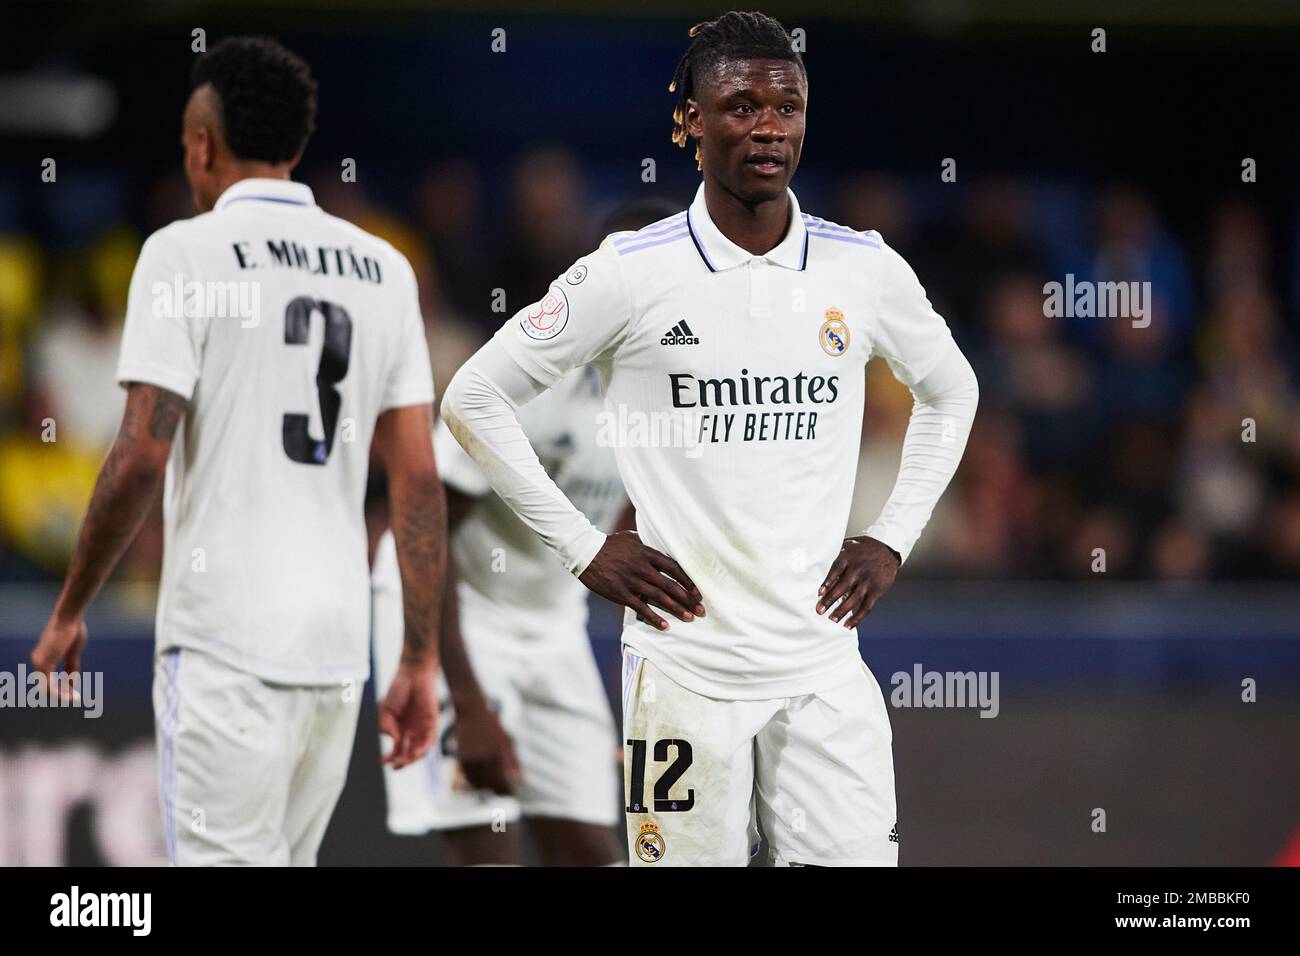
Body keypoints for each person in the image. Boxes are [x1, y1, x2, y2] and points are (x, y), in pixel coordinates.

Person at [440, 10, 979, 866]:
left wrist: (890, 537)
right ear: (689, 120)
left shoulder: (862, 268)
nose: (768, 128)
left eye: (787, 106)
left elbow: (952, 391)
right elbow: (473, 397)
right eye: (740, 106)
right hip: (682, 677)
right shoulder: (631, 271)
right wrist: (584, 548)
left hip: (822, 670)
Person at [30, 36, 446, 866]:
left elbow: (143, 455)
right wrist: (417, 656)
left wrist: (72, 606)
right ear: (295, 147)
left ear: (203, 144)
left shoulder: (182, 252)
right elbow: (418, 481)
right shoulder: (384, 270)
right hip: (335, 651)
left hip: (226, 644)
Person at [372, 365, 626, 866]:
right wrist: (468, 702)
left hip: (555, 622)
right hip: (462, 614)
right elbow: (426, 532)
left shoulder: (660, 387)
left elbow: (641, 527)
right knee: (487, 846)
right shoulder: (522, 379)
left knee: (593, 849)